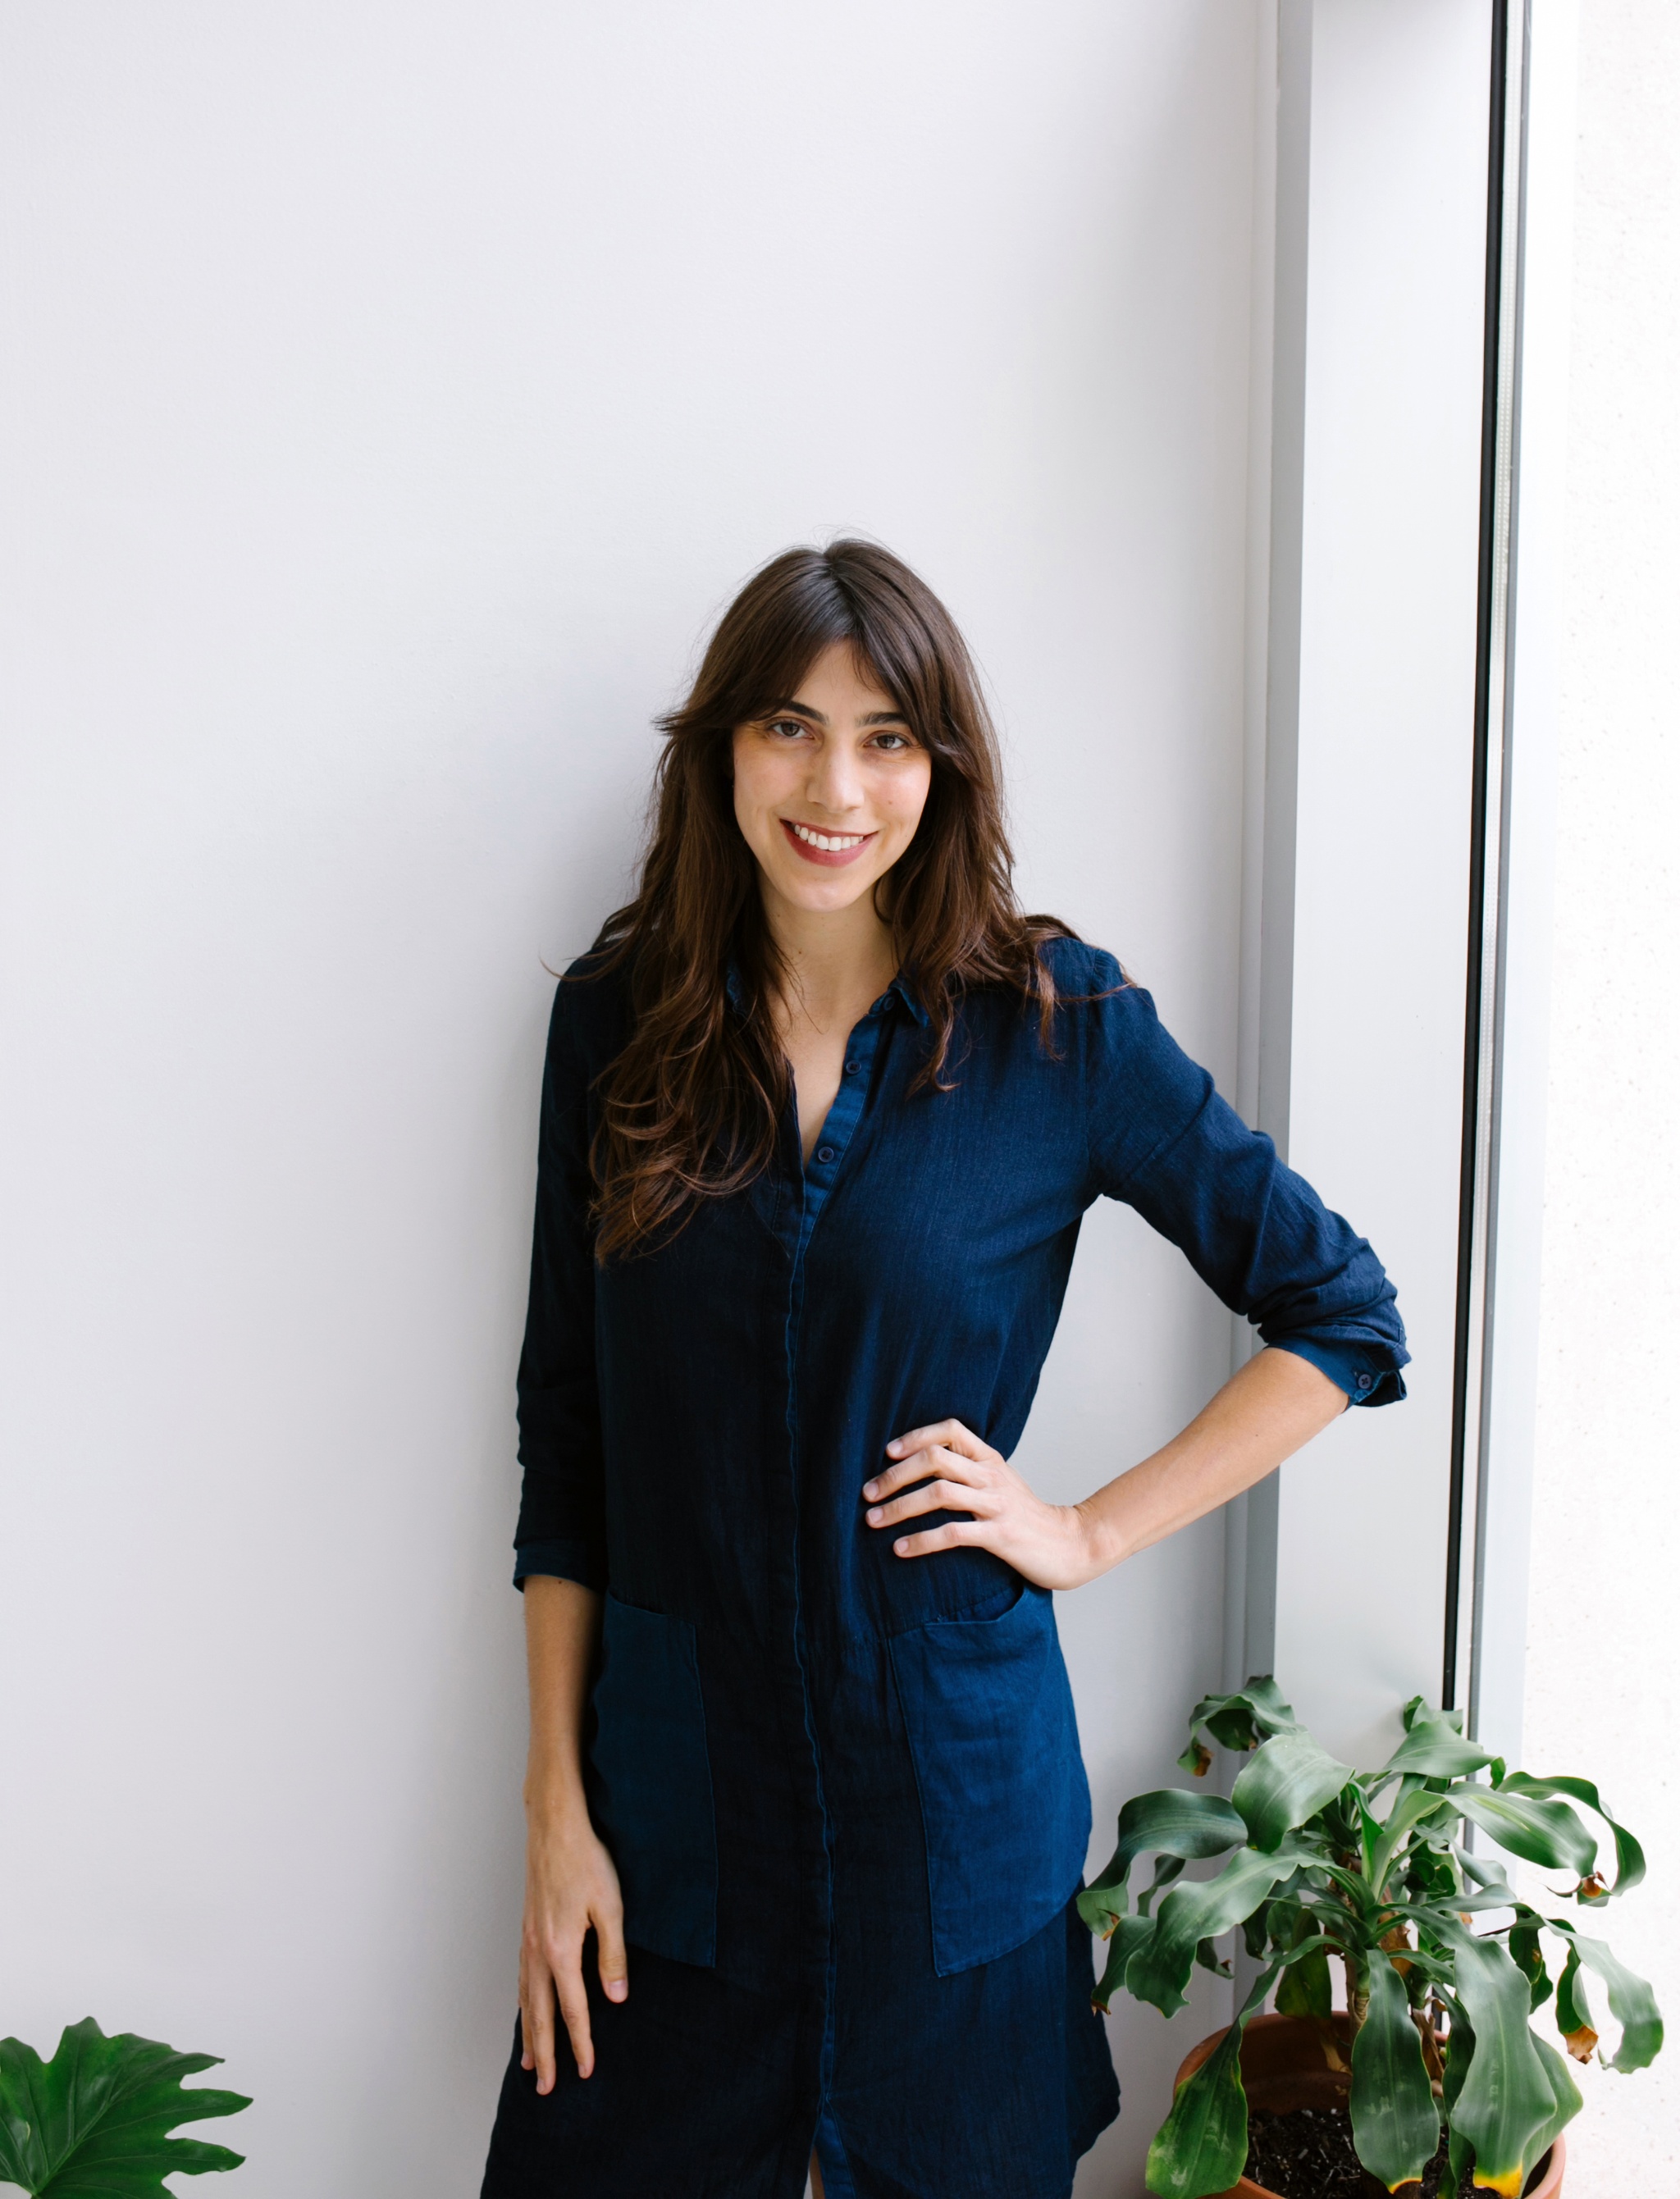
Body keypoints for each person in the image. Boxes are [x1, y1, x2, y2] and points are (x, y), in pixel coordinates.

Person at [479, 541, 1408, 2199]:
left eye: (888, 737)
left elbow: (1341, 1317)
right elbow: (573, 1439)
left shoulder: (1059, 1029)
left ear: (943, 766)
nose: (835, 785)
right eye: (788, 726)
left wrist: (1090, 1530)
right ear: (719, 753)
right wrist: (553, 1806)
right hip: (671, 1830)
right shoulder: (618, 1020)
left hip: (949, 1829)